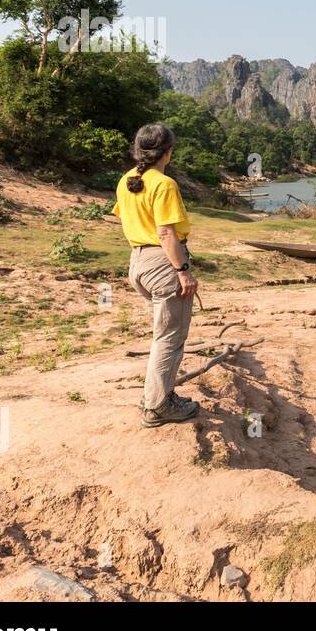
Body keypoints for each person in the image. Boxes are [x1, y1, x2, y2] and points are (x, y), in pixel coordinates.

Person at [113, 123, 201, 427]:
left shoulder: (127, 180)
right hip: (163, 264)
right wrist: (183, 271)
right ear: (168, 152)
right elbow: (165, 233)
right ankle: (158, 406)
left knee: (162, 333)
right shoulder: (164, 184)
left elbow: (128, 219)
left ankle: (159, 394)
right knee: (170, 337)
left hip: (138, 262)